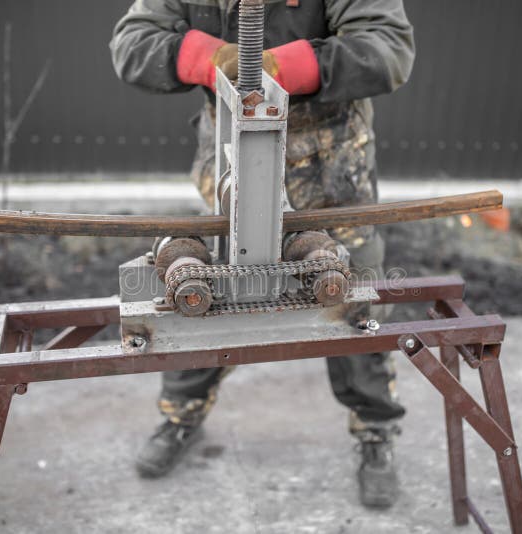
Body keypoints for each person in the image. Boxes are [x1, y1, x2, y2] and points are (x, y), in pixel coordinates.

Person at [111, 0, 415, 509]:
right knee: (202, 298)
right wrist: (209, 57)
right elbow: (133, 42)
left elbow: (387, 48)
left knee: (358, 308)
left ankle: (375, 433)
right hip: (230, 181)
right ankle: (180, 416)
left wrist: (285, 67)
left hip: (332, 181)